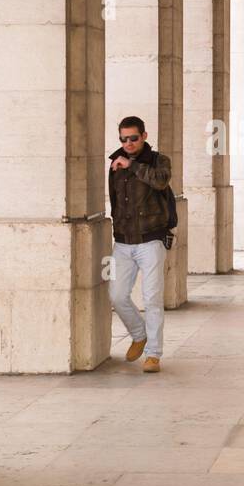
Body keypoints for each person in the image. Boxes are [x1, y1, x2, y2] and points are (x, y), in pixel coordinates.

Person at [107, 116, 172, 373]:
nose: (128, 143)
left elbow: (160, 181)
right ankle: (139, 334)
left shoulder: (159, 161)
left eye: (133, 138)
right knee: (117, 295)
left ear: (144, 136)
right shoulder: (114, 163)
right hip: (123, 242)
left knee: (152, 298)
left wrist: (131, 166)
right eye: (123, 139)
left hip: (151, 240)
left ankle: (153, 354)